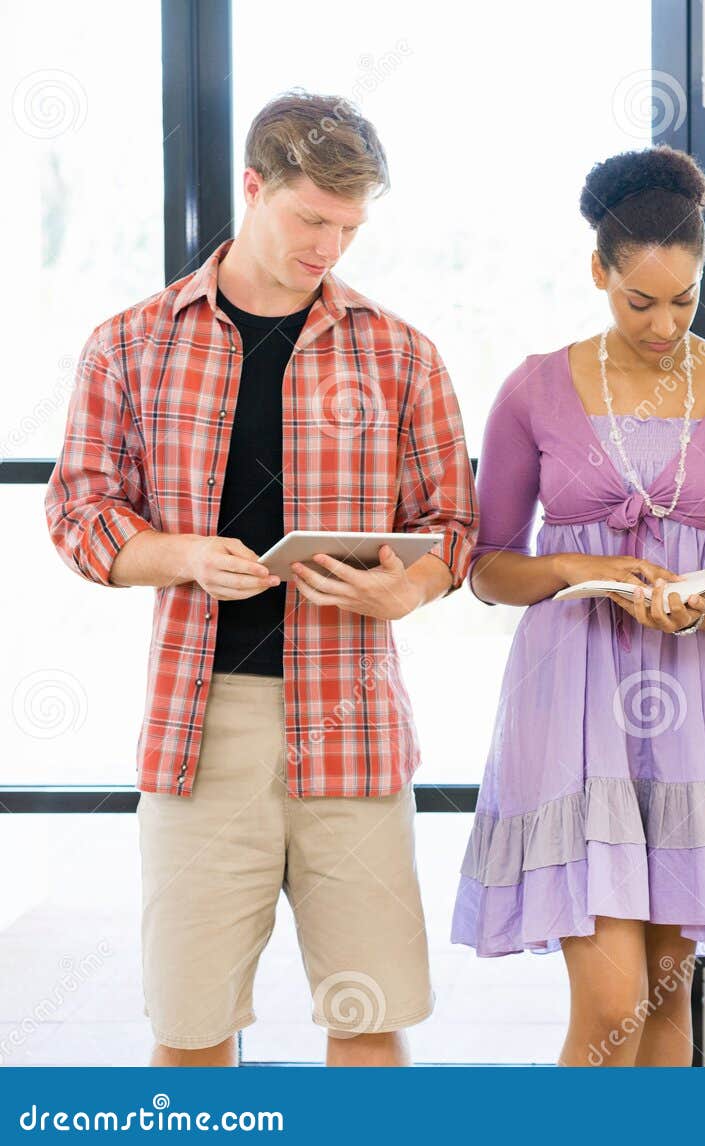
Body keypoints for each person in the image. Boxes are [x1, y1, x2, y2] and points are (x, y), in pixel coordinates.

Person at [43, 91, 478, 1067]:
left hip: (354, 718)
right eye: (311, 219)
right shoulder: (131, 342)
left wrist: (405, 589)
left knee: (367, 1013)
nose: (330, 246)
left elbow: (452, 526)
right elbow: (78, 509)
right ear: (253, 186)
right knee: (191, 1023)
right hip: (202, 724)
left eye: (350, 226)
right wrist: (183, 555)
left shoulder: (404, 354)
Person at [452, 146, 705, 1067]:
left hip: (694, 705)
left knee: (667, 1009)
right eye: (640, 300)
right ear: (598, 272)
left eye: (684, 299)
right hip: (571, 703)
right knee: (611, 1009)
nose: (664, 322)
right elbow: (485, 566)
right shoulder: (532, 387)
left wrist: (700, 607)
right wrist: (569, 564)